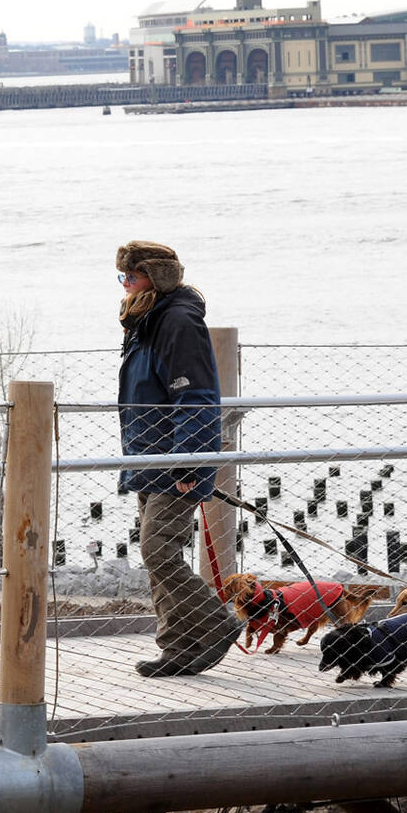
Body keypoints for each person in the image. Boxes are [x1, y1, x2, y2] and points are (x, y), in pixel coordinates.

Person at [115, 240, 240, 677]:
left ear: (156, 276)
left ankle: (215, 624)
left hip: (175, 458)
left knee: (158, 551)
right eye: (122, 277)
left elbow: (198, 398)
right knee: (157, 554)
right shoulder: (146, 319)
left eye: (131, 276)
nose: (125, 285)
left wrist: (189, 462)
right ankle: (178, 647)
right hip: (148, 454)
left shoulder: (177, 321)